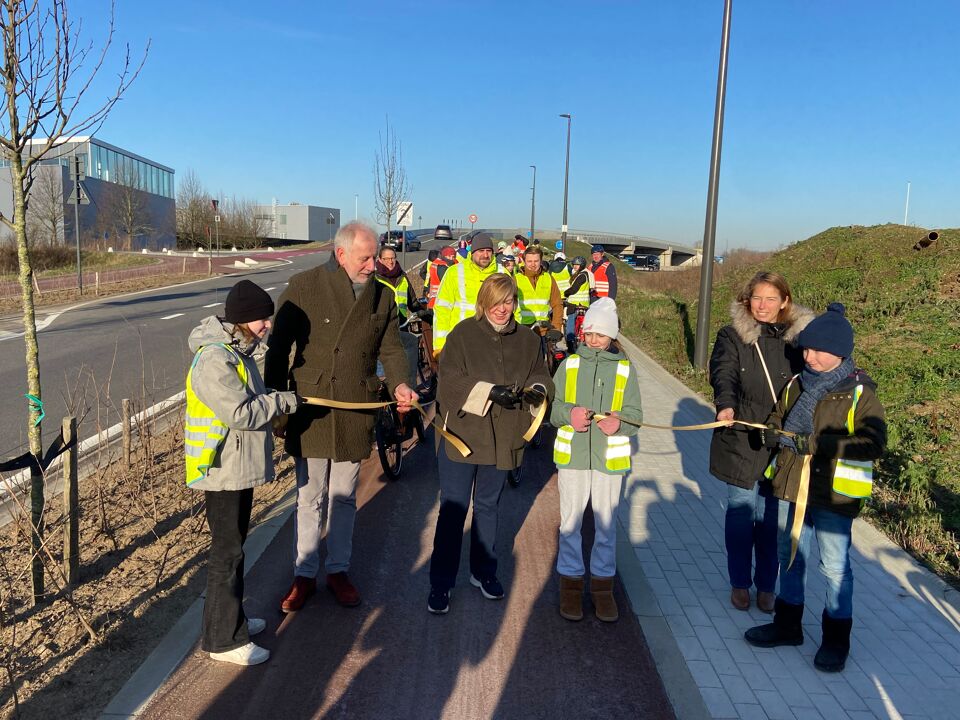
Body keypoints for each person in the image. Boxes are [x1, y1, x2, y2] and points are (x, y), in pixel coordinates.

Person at [264, 222, 418, 612]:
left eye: (375, 256)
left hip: (355, 405)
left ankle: (337, 570)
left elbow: (393, 350)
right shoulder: (304, 287)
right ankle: (304, 573)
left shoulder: (383, 298)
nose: (373, 265)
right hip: (310, 407)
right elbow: (278, 349)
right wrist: (275, 403)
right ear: (341, 254)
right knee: (309, 495)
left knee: (344, 496)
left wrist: (401, 384)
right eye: (366, 258)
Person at [745, 303, 886, 674]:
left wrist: (818, 444)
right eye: (806, 349)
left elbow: (872, 444)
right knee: (789, 556)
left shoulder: (859, 394)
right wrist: (770, 434)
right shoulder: (796, 384)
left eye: (818, 350)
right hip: (792, 486)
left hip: (834, 496)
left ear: (840, 351)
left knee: (835, 566)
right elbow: (778, 418)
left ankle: (836, 640)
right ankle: (787, 625)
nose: (809, 357)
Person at [185, 280, 300, 665]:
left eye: (267, 317)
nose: (267, 324)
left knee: (233, 550)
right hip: (220, 471)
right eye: (260, 318)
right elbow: (240, 412)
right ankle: (223, 641)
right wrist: (282, 401)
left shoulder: (239, 351)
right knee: (226, 554)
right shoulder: (215, 359)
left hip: (234, 468)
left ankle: (230, 622)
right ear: (239, 319)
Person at [427, 274, 554, 614]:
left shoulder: (528, 340)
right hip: (463, 438)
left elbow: (540, 376)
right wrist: (488, 391)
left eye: (509, 301)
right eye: (497, 302)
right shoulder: (463, 334)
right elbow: (449, 381)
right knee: (453, 511)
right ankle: (441, 582)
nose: (503, 309)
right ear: (484, 303)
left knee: (488, 508)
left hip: (503, 439)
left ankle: (483, 572)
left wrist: (538, 392)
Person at [709, 272, 813, 612]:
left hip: (784, 438)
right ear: (747, 300)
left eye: (771, 298)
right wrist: (726, 405)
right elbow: (723, 372)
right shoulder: (733, 336)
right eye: (757, 298)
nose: (763, 305)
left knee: (774, 518)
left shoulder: (801, 339)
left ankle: (767, 584)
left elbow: (815, 379)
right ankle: (740, 581)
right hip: (744, 434)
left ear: (785, 301)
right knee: (741, 511)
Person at [550, 298, 642, 623]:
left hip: (608, 461)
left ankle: (603, 588)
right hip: (573, 457)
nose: (593, 340)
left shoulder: (625, 369)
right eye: (589, 333)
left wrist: (620, 423)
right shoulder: (569, 365)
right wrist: (568, 415)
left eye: (600, 335)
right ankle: (571, 586)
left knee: (605, 526)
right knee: (570, 523)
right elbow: (553, 409)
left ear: (612, 336)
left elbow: (636, 416)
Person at [431, 232, 500, 357]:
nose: (485, 255)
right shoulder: (454, 272)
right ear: (472, 253)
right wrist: (440, 346)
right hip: (460, 342)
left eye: (488, 251)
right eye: (481, 251)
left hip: (493, 343)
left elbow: (513, 310)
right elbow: (442, 309)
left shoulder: (502, 273)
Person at [375, 245, 421, 379]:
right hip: (382, 330)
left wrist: (426, 314)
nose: (390, 262)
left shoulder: (403, 277)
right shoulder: (374, 278)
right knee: (382, 371)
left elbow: (413, 302)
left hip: (401, 326)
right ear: (380, 259)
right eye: (386, 259)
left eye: (393, 258)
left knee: (401, 369)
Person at [514, 245, 563, 333]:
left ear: (541, 261)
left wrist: (556, 327)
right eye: (529, 261)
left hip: (544, 330)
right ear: (524, 261)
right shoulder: (515, 279)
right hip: (522, 330)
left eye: (536, 261)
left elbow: (557, 304)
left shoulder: (548, 278)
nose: (533, 264)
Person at [562, 256, 593, 345]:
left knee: (571, 319)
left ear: (582, 265)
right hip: (584, 304)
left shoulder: (581, 276)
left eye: (577, 265)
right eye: (574, 264)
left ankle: (570, 339)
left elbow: (574, 289)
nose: (575, 266)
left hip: (575, 304)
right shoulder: (582, 275)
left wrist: (566, 293)